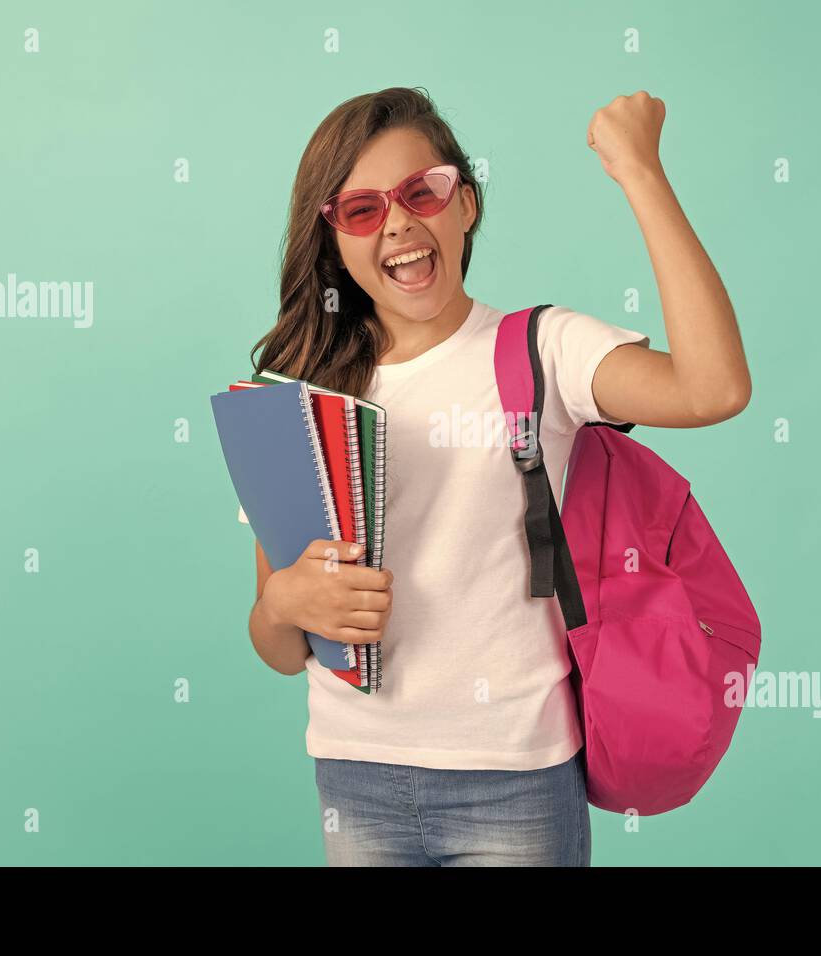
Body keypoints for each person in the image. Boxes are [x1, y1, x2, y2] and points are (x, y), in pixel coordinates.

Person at [244, 87, 751, 866]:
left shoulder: (544, 351)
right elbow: (278, 646)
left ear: (466, 204)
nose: (401, 224)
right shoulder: (304, 397)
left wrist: (641, 173)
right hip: (354, 777)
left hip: (514, 782)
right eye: (362, 209)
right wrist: (283, 603)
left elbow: (713, 388)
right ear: (334, 238)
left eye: (424, 192)